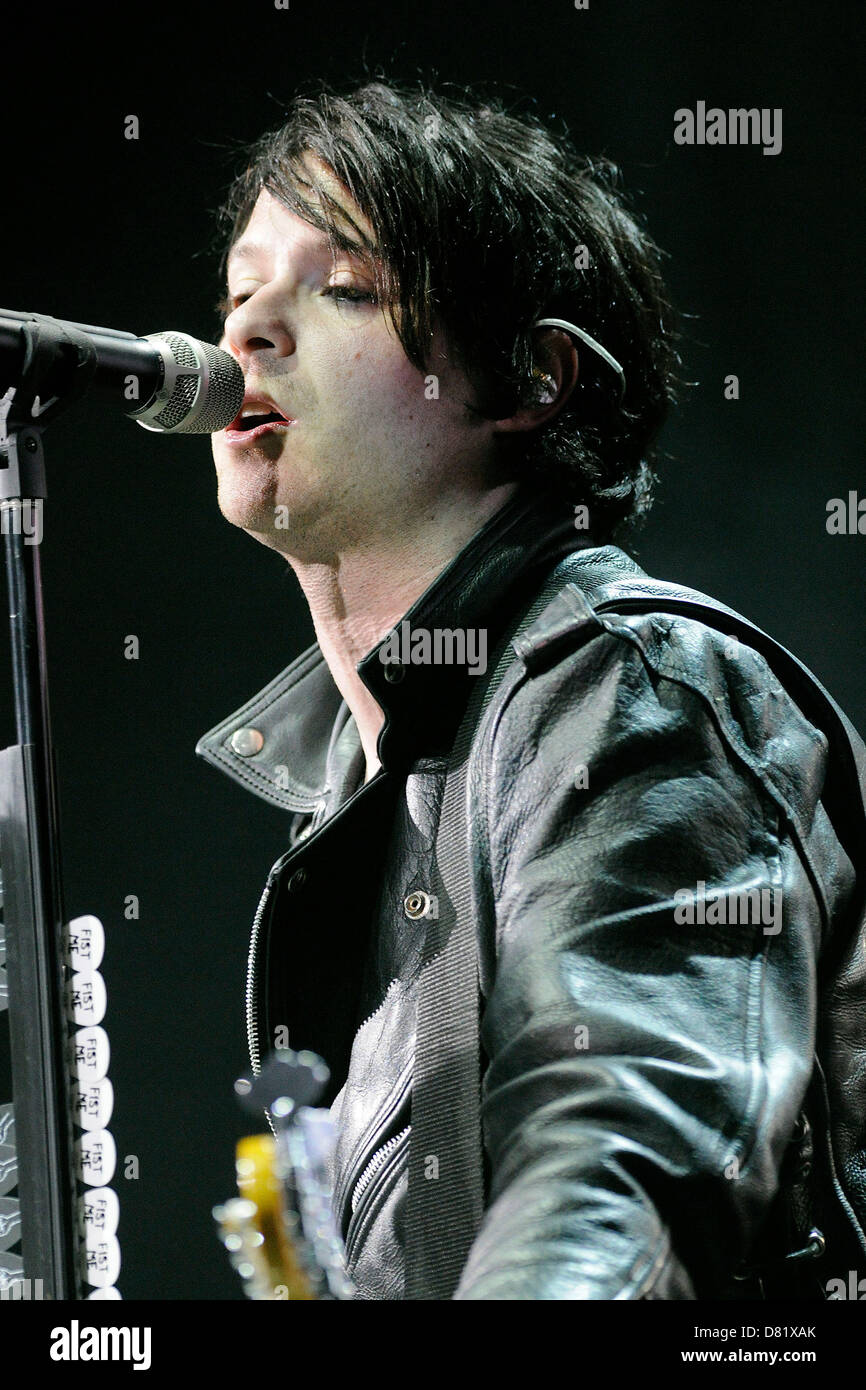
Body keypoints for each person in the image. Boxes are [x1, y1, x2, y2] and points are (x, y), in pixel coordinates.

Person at [196, 77, 866, 1300]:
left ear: (529, 379)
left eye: (343, 288)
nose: (247, 333)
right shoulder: (375, 793)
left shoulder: (629, 693)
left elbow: (616, 1163)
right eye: (240, 290)